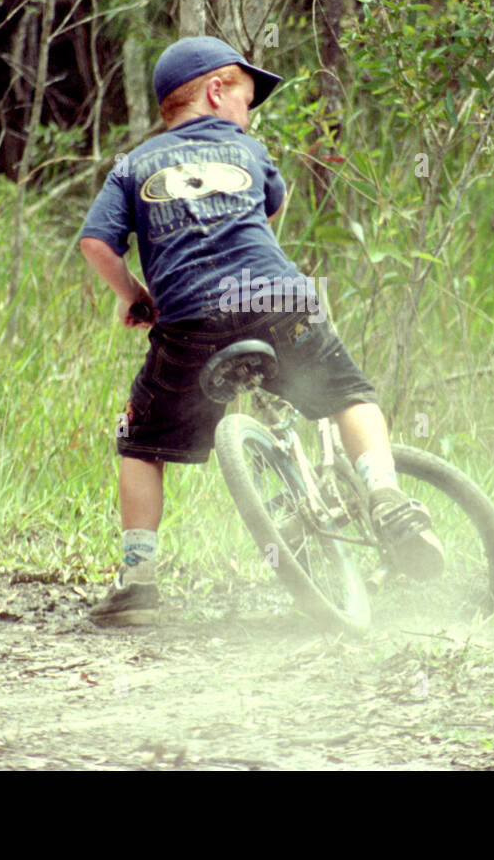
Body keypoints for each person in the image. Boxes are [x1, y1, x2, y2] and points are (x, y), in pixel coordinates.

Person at [77, 36, 443, 625]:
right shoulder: (250, 151)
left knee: (141, 443)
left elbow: (96, 243)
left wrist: (138, 298)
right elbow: (273, 210)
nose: (249, 113)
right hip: (278, 302)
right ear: (217, 92)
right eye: (247, 98)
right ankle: (387, 500)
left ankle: (138, 582)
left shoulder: (133, 166)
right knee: (350, 396)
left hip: (189, 322)